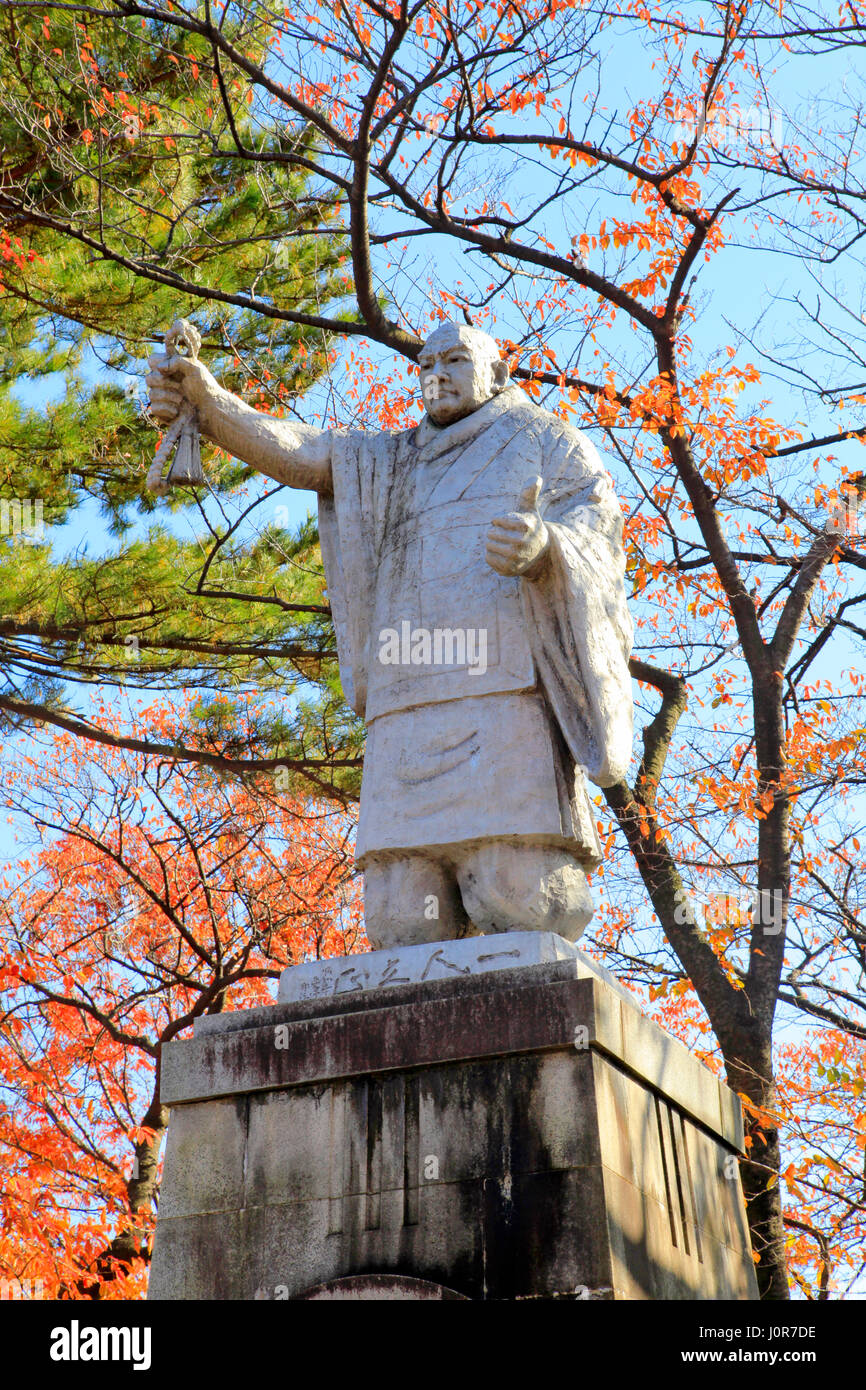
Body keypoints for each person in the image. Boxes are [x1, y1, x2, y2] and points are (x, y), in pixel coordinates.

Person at [146, 321, 633, 949]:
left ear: (499, 372)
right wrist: (209, 403)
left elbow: (598, 534)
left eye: (455, 359)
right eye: (426, 363)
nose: (437, 372)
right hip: (406, 702)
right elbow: (302, 454)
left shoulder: (548, 441)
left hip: (506, 700)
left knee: (525, 900)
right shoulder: (389, 459)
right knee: (403, 916)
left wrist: (548, 548)